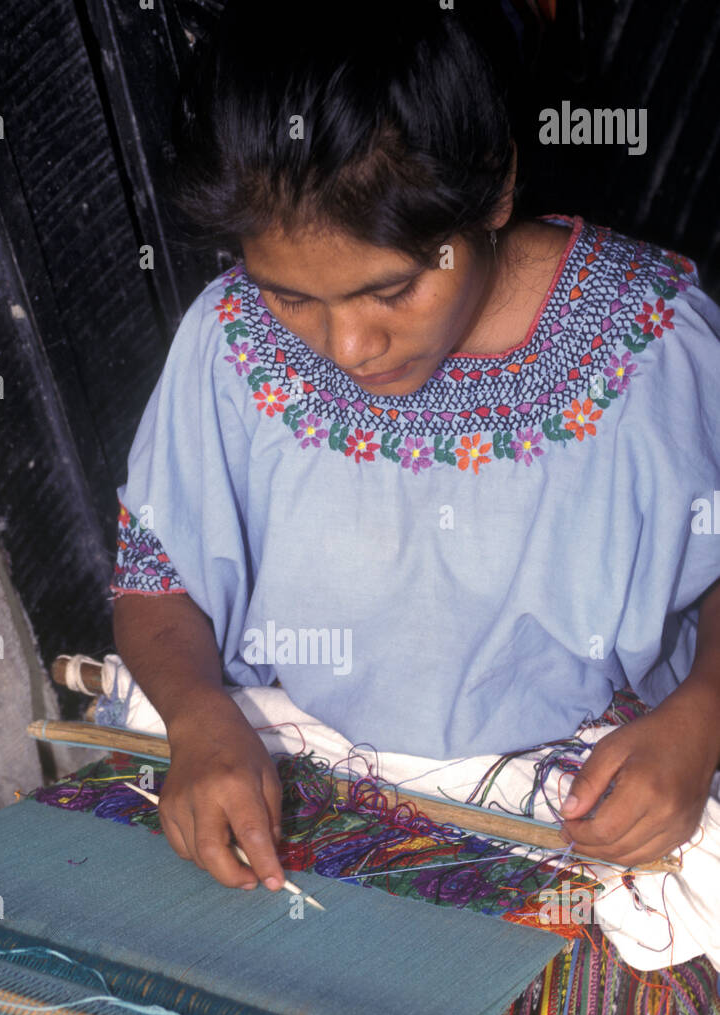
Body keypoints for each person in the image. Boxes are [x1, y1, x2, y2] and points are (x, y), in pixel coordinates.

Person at [111, 0, 720, 897]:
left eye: (392, 289)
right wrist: (201, 721)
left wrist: (700, 720)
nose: (348, 346)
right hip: (309, 797)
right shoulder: (233, 340)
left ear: (496, 190)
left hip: (582, 819)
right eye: (293, 297)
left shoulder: (650, 342)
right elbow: (156, 576)